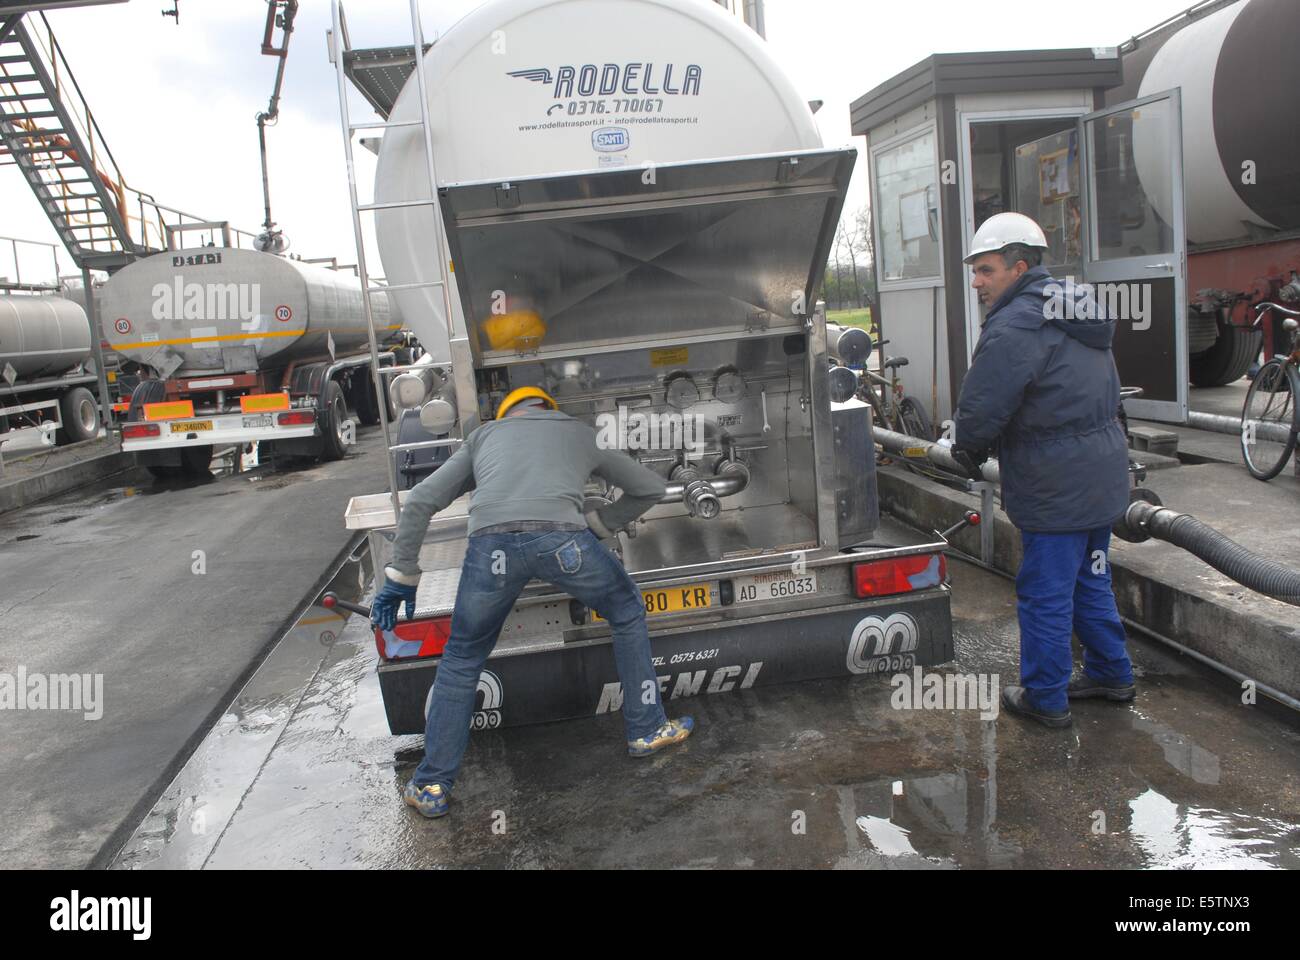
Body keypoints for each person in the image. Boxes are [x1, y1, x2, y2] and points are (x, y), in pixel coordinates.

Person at [371, 385, 694, 818]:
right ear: (548, 409)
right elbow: (650, 487)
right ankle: (646, 728)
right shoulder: (576, 432)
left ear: (506, 413)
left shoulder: (485, 437)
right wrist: (600, 523)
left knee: (463, 657)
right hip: (563, 542)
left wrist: (402, 576)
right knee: (626, 610)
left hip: (491, 550)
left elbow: (422, 501)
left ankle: (430, 784)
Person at [953, 212, 1136, 728]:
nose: (977, 282)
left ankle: (1046, 698)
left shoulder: (1015, 325)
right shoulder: (1077, 305)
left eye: (986, 270)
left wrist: (968, 449)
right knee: (1091, 578)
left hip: (1055, 482)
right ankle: (1112, 672)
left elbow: (983, 405)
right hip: (1101, 474)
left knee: (1046, 593)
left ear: (1018, 266)